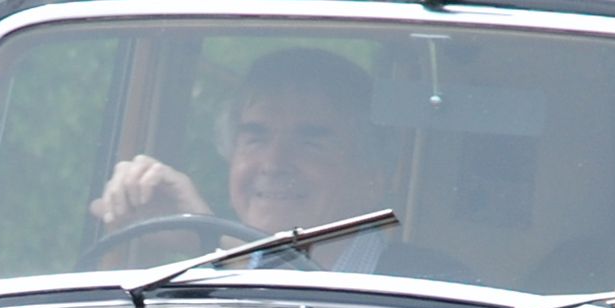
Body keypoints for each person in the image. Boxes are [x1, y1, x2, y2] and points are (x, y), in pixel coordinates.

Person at [90, 48, 466, 279]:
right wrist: (186, 238)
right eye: (255, 136)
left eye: (311, 140)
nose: (274, 161)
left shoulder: (432, 290)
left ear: (373, 172)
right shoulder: (192, 284)